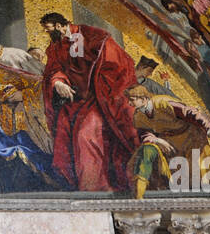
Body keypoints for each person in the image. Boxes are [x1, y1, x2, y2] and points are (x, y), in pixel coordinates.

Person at [40, 12, 138, 192]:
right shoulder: (55, 47)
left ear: (61, 25)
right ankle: (75, 184)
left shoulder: (92, 36)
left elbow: (116, 63)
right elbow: (54, 69)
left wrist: (99, 86)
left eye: (50, 29)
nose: (49, 34)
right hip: (78, 100)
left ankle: (96, 188)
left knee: (86, 134)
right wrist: (58, 82)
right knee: (63, 128)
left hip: (102, 97)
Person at [125, 84, 210, 196]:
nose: (129, 104)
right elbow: (144, 133)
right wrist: (156, 140)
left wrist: (208, 129)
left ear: (143, 98)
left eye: (132, 100)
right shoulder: (138, 116)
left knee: (204, 172)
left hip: (191, 139)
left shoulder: (163, 103)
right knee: (183, 178)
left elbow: (190, 113)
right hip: (172, 144)